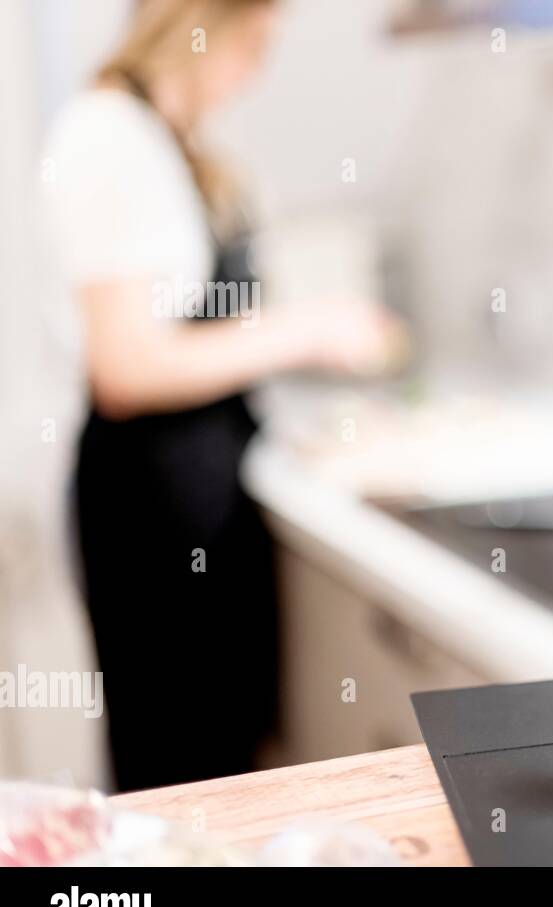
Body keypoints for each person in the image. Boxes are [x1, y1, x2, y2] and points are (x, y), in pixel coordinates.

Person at [39, 0, 401, 790]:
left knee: (225, 751)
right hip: (150, 501)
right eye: (258, 40)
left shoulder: (175, 144)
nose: (259, 66)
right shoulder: (106, 137)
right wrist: (309, 329)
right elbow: (128, 368)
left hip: (203, 482)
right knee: (177, 763)